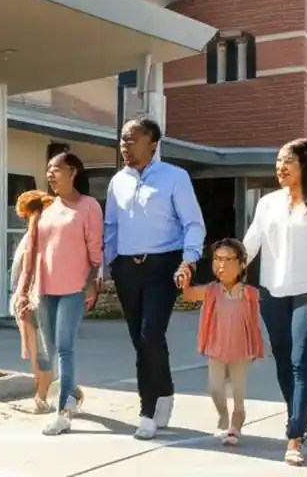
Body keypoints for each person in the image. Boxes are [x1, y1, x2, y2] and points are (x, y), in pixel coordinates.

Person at [243, 138, 307, 467]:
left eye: (288, 161)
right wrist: (228, 267)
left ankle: (294, 435)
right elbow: (252, 242)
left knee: (302, 361)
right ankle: (297, 418)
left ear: (306, 165)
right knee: (284, 362)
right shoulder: (268, 203)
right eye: (277, 161)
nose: (280, 167)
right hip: (272, 292)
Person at [104, 118, 206, 440]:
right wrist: (105, 268)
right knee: (141, 340)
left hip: (164, 266)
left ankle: (147, 411)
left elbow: (193, 223)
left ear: (153, 143)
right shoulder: (117, 181)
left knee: (151, 333)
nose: (125, 146)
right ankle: (164, 390)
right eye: (122, 139)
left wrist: (188, 261)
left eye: (132, 139)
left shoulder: (175, 177)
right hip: (126, 269)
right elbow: (111, 228)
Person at [12, 151, 102, 436]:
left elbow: (96, 252)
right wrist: (23, 291)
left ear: (73, 171)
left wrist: (91, 282)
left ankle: (63, 412)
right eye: (48, 169)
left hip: (74, 289)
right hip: (45, 290)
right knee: (52, 350)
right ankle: (72, 389)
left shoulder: (89, 207)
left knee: (64, 348)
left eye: (56, 169)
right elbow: (31, 254)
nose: (50, 174)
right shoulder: (44, 211)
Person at [177, 238, 264, 447]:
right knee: (215, 389)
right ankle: (224, 415)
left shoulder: (250, 294)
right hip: (216, 349)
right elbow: (189, 295)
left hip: (241, 351)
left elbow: (256, 322)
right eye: (217, 259)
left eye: (227, 259)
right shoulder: (211, 290)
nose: (221, 265)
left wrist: (256, 347)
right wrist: (185, 280)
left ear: (241, 264)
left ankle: (235, 425)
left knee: (238, 392)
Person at [10, 188, 57, 413]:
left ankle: (42, 395)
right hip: (34, 298)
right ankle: (42, 395)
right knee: (41, 351)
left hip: (29, 298)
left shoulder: (33, 235)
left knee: (38, 352)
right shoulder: (38, 235)